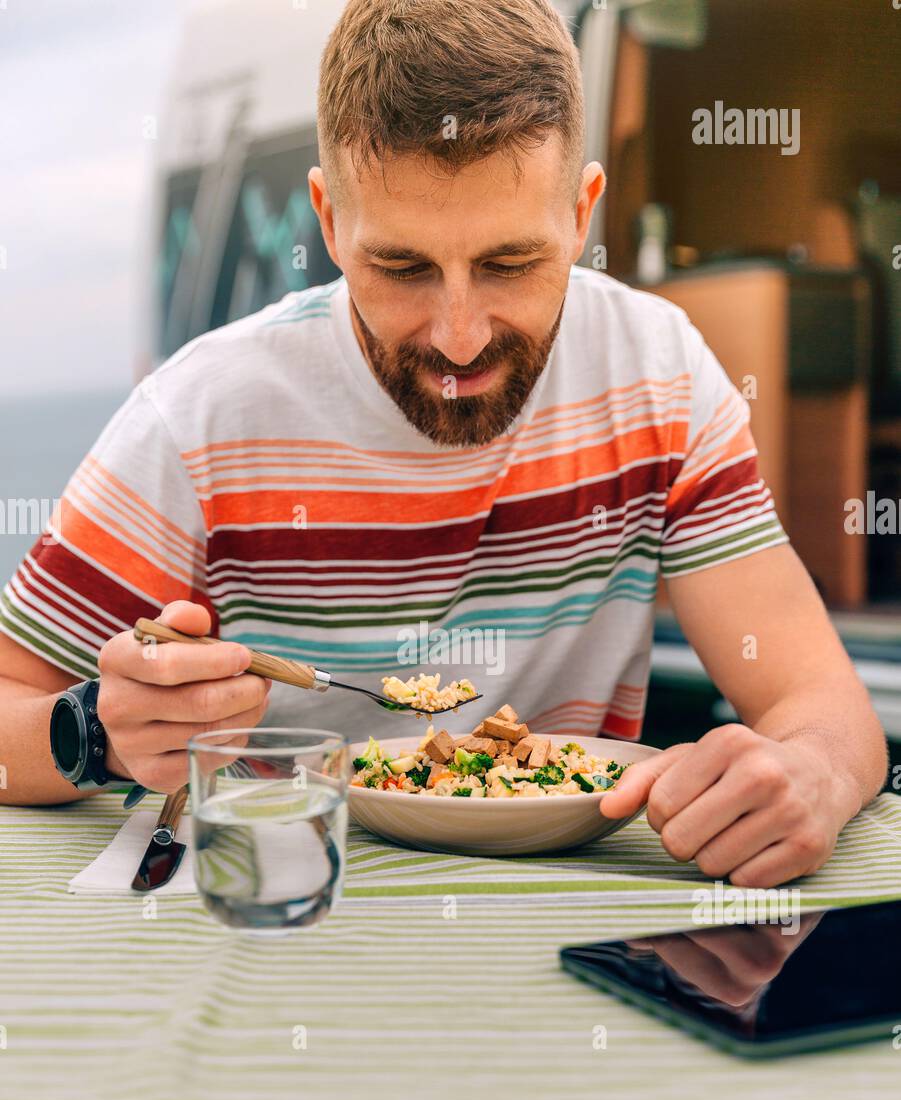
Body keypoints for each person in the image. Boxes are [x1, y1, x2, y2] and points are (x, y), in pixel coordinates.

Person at [0, 0, 886, 890]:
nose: (459, 337)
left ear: (580, 214)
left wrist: (813, 771)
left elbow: (820, 701)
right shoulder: (200, 415)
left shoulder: (658, 372)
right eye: (403, 268)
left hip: (568, 915)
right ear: (331, 222)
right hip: (284, 914)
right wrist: (99, 734)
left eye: (508, 264)